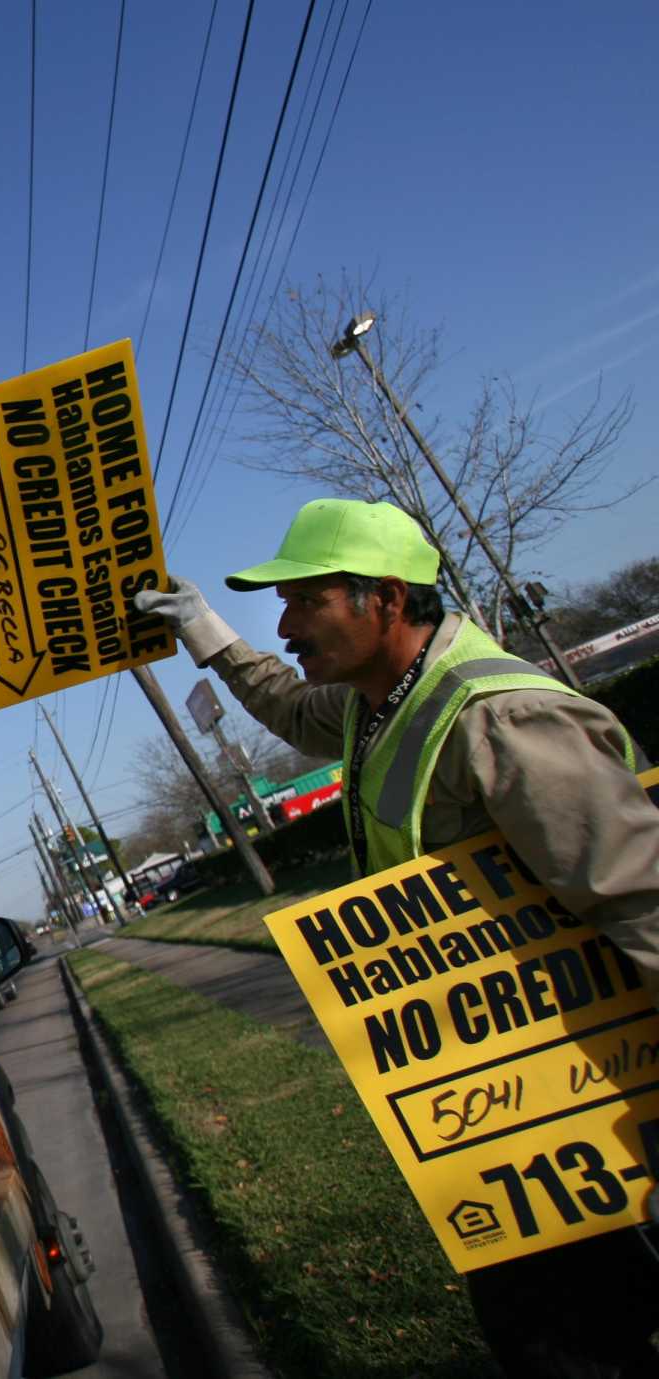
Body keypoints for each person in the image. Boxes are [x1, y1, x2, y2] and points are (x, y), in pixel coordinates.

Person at [135, 497, 659, 1378]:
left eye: (306, 600)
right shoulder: (372, 706)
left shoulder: (498, 717)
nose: (289, 623)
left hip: (587, 1103)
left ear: (384, 597)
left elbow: (638, 899)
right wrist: (203, 628)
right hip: (503, 1114)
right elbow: (289, 703)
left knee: (583, 1340)